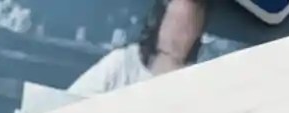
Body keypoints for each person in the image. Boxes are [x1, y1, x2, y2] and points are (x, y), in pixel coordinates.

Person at [69, 0, 208, 96]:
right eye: (173, 22)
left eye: (186, 28)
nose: (177, 34)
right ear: (158, 23)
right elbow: (71, 101)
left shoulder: (194, 84)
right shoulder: (122, 62)